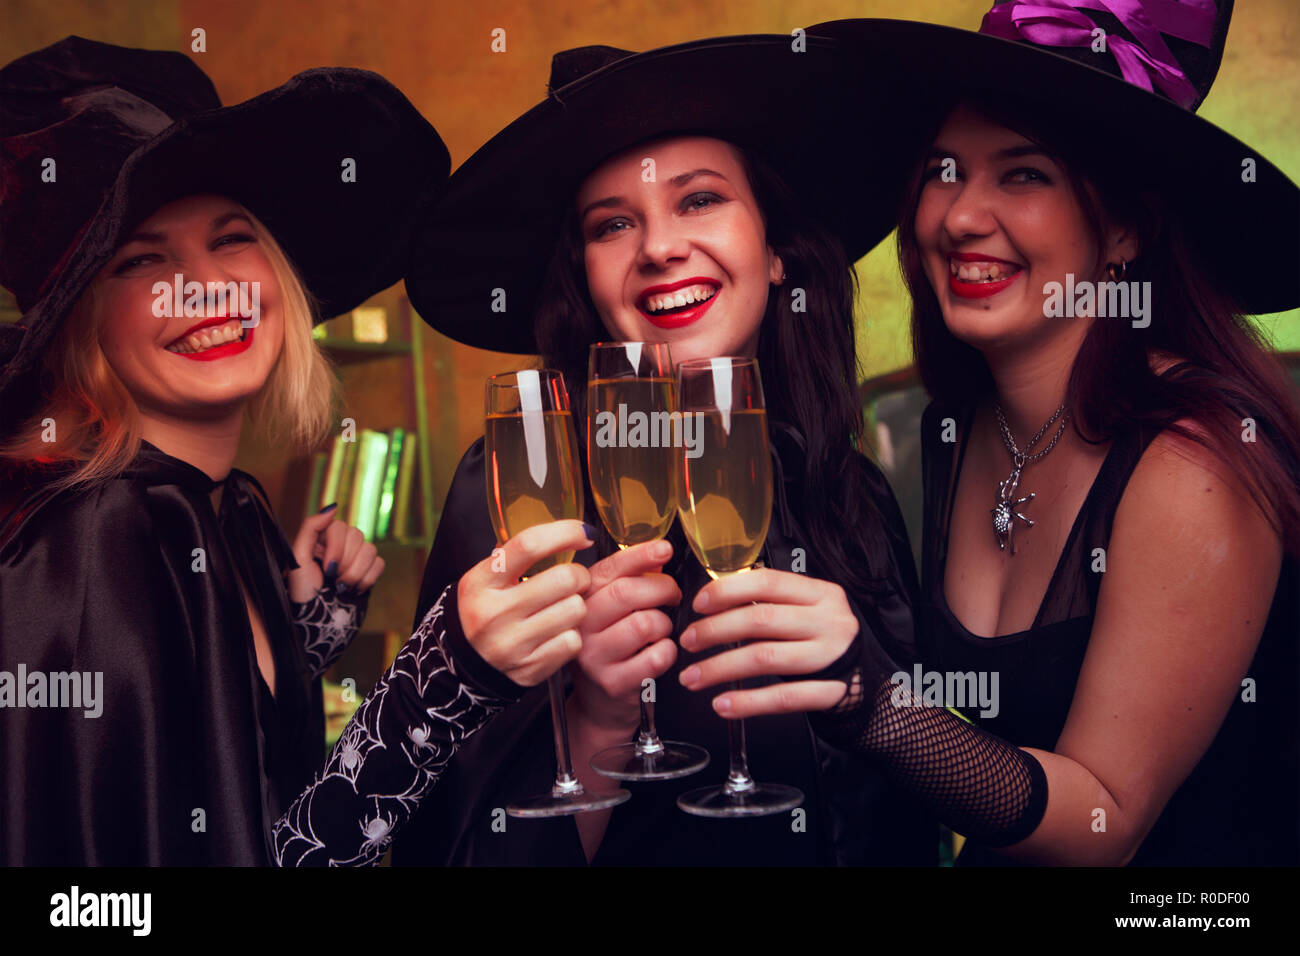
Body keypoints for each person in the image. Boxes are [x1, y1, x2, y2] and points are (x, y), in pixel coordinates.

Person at [700, 2, 1300, 865]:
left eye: (1023, 175)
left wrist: (870, 701)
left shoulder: (1194, 462)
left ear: (1125, 227)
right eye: (945, 170)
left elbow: (1105, 826)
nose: (959, 218)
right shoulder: (958, 423)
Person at [0, 37, 590, 866]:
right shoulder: (101, 536)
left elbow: (218, 773)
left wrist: (311, 622)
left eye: (231, 238)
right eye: (141, 260)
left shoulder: (223, 507)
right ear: (79, 325)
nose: (205, 286)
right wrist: (447, 676)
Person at [395, 36, 937, 865]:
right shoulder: (524, 489)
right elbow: (450, 847)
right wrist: (596, 719)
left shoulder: (849, 487)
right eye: (613, 224)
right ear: (586, 276)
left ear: (777, 248)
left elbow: (910, 815)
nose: (657, 248)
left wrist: (872, 697)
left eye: (699, 201)